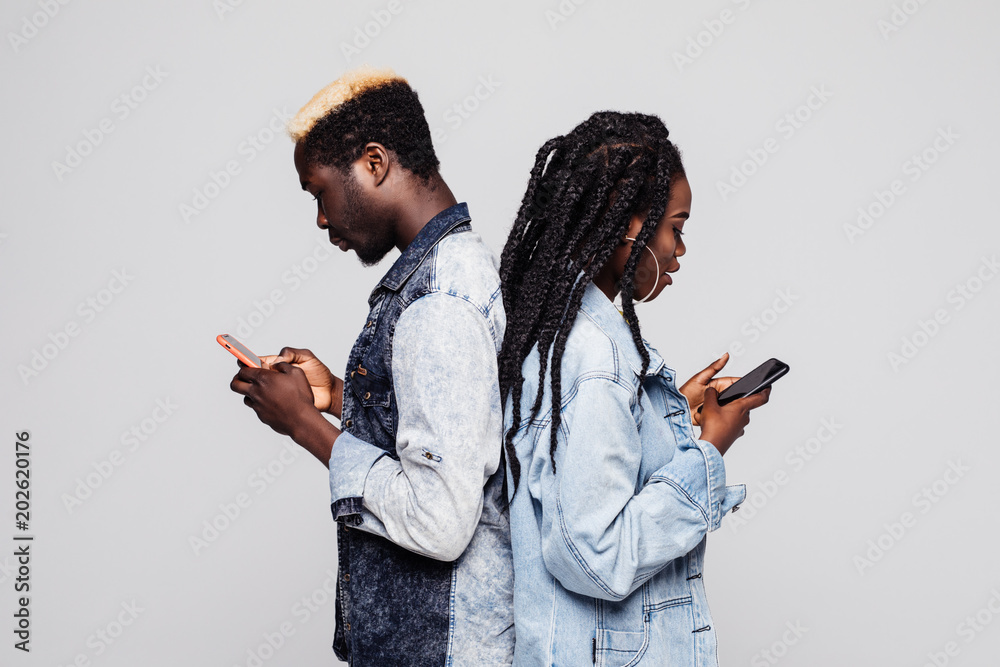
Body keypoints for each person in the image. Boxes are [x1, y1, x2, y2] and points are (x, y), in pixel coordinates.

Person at [228, 66, 513, 666]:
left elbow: (440, 518)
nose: (321, 219)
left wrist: (305, 426)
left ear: (375, 163)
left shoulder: (438, 302)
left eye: (319, 192)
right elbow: (448, 439)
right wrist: (336, 393)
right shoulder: (440, 277)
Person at [497, 111, 772, 666]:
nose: (680, 249)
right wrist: (708, 451)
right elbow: (594, 554)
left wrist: (661, 411)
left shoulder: (556, 335)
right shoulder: (598, 360)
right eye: (676, 227)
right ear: (628, 227)